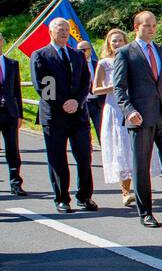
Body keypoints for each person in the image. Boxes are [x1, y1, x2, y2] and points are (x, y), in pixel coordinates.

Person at [111, 10, 162, 227]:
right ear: (136, 27)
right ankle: (146, 212)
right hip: (140, 118)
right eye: (147, 25)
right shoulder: (125, 53)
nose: (151, 29)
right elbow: (119, 88)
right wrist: (129, 110)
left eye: (154, 25)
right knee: (142, 166)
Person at [30, 18, 96, 213]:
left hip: (79, 115)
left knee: (84, 156)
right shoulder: (41, 55)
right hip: (54, 116)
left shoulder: (77, 55)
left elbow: (86, 82)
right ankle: (62, 198)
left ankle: (85, 196)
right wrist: (63, 104)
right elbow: (43, 85)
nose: (65, 32)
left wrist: (77, 101)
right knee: (58, 158)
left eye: (67, 29)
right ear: (51, 31)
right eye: (60, 29)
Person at [94, 28, 161, 208]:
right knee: (121, 148)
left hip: (133, 105)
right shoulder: (104, 63)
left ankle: (141, 186)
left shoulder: (133, 59)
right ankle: (125, 191)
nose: (117, 44)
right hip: (115, 108)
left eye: (120, 40)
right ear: (108, 43)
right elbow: (95, 89)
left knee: (137, 148)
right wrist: (113, 87)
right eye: (113, 41)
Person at [0, 32, 25, 196]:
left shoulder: (11, 64)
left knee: (12, 149)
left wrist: (20, 114)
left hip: (9, 112)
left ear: (2, 42)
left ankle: (15, 182)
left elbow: (17, 91)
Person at [79, 40, 105, 146]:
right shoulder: (74, 66)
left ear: (90, 50)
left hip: (97, 103)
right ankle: (86, 156)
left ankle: (105, 155)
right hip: (82, 103)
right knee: (83, 133)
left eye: (85, 50)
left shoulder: (98, 64)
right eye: (80, 50)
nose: (82, 52)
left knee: (101, 131)